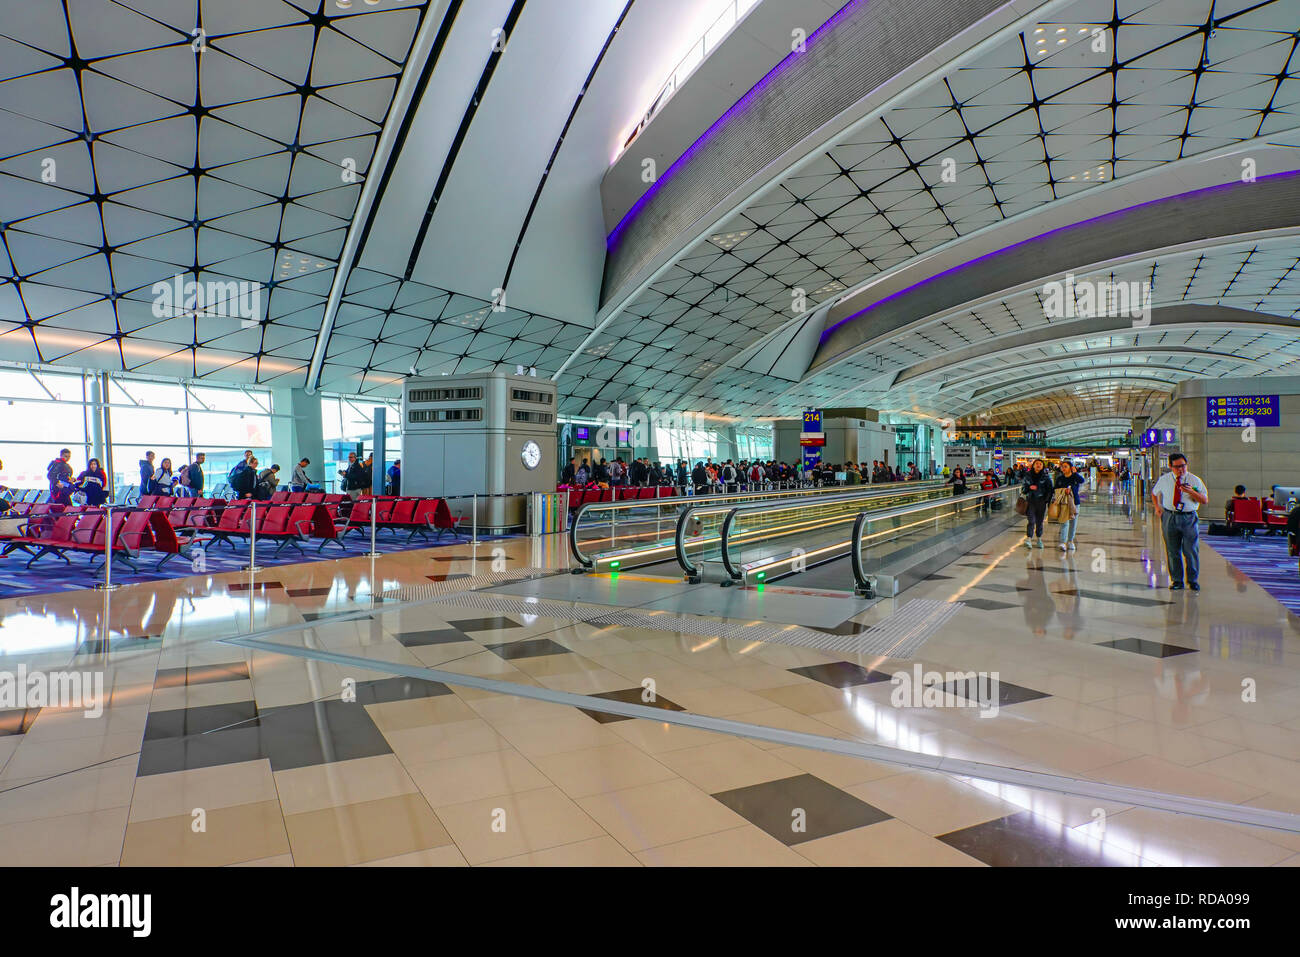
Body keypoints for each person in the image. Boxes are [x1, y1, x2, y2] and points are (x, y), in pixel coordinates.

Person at [1151, 452, 1208, 591]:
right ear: (1170, 466)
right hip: (1170, 516)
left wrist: (1191, 492)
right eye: (1177, 467)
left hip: (1189, 517)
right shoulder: (1164, 479)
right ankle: (1177, 580)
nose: (1181, 469)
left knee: (1191, 550)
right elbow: (1154, 493)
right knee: (1172, 550)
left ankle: (1193, 580)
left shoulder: (1195, 480)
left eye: (1183, 466)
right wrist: (1157, 507)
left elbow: (1205, 500)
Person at [1021, 459, 1053, 549]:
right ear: (1033, 465)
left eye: (1040, 464)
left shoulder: (1046, 477)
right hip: (1030, 501)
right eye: (1036, 464)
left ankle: (1039, 539)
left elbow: (1050, 489)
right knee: (1031, 521)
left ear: (1043, 466)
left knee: (1039, 521)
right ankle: (1029, 539)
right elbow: (1023, 488)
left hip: (1041, 501)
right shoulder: (1027, 476)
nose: (1038, 465)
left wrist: (1046, 500)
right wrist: (1029, 488)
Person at [1055, 460, 1085, 551]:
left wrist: (1075, 473)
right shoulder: (1059, 478)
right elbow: (1055, 489)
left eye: (1065, 466)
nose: (1063, 468)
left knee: (1073, 523)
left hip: (1075, 503)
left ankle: (1070, 541)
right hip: (1063, 503)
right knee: (1064, 522)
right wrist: (1064, 491)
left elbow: (1082, 480)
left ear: (1070, 468)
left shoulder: (1075, 477)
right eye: (1062, 467)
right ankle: (1062, 542)